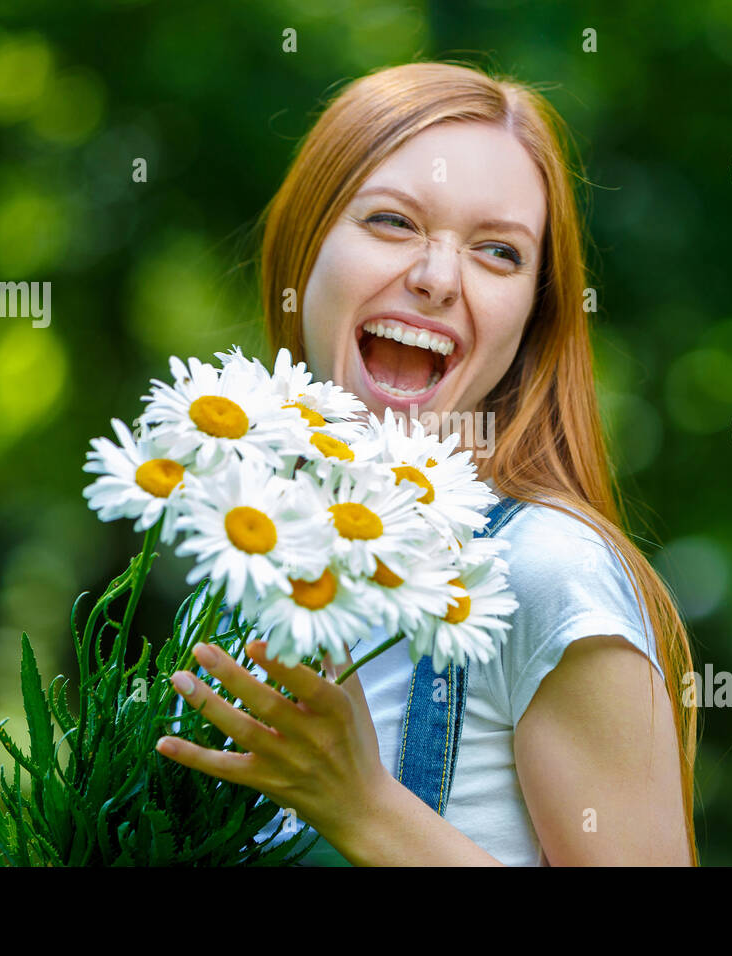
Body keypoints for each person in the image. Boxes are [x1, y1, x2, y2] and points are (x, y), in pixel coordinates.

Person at [156, 60, 697, 866]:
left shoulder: (546, 577)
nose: (439, 278)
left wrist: (366, 807)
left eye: (498, 252)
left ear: (532, 317)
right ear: (304, 246)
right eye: (394, 223)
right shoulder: (253, 562)